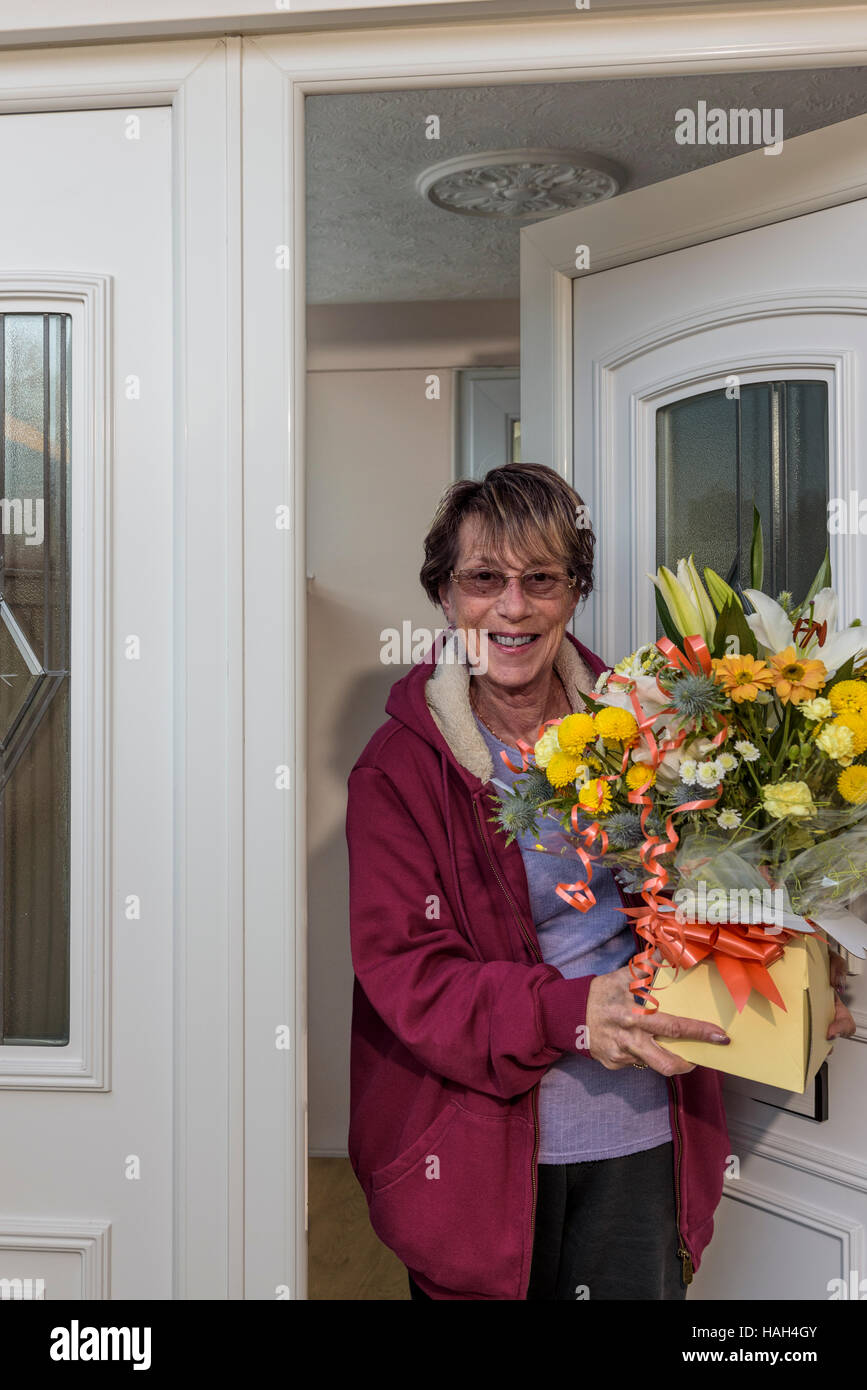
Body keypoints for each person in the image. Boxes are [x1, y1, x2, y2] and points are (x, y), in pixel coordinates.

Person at [344, 461, 854, 1301]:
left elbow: (723, 884)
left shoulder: (651, 726)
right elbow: (410, 979)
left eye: (540, 579)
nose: (512, 608)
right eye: (483, 580)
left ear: (572, 592)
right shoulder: (398, 771)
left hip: (642, 1134)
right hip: (477, 1158)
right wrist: (571, 1011)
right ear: (444, 595)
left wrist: (798, 969)